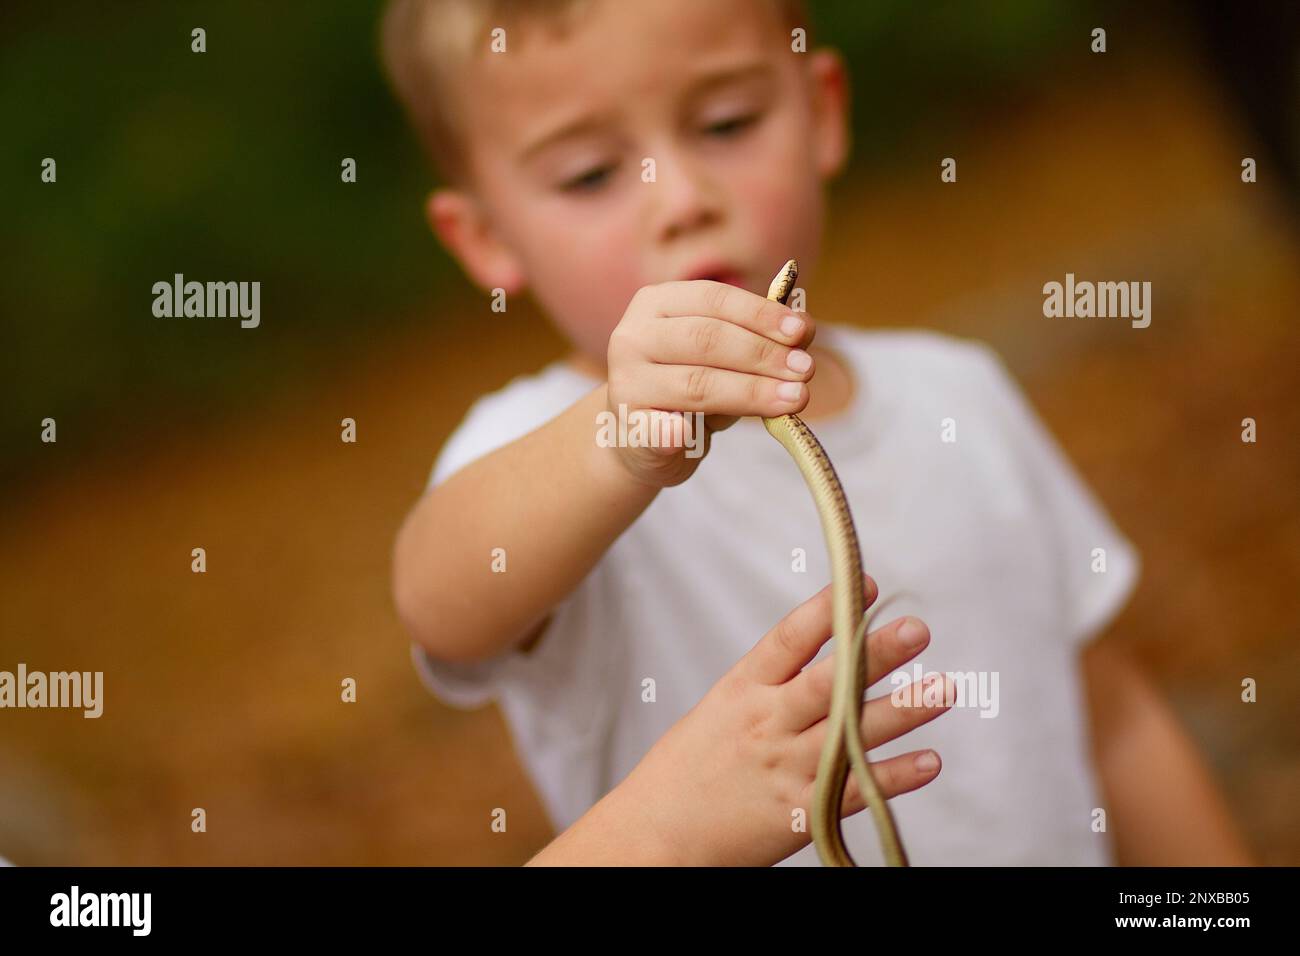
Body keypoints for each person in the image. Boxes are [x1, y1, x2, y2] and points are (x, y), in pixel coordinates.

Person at [381, 0, 1254, 865]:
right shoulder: (540, 448)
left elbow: (1111, 718)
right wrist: (615, 439)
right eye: (588, 176)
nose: (683, 201)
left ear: (822, 113)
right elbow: (439, 602)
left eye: (728, 122)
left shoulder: (961, 392)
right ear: (487, 240)